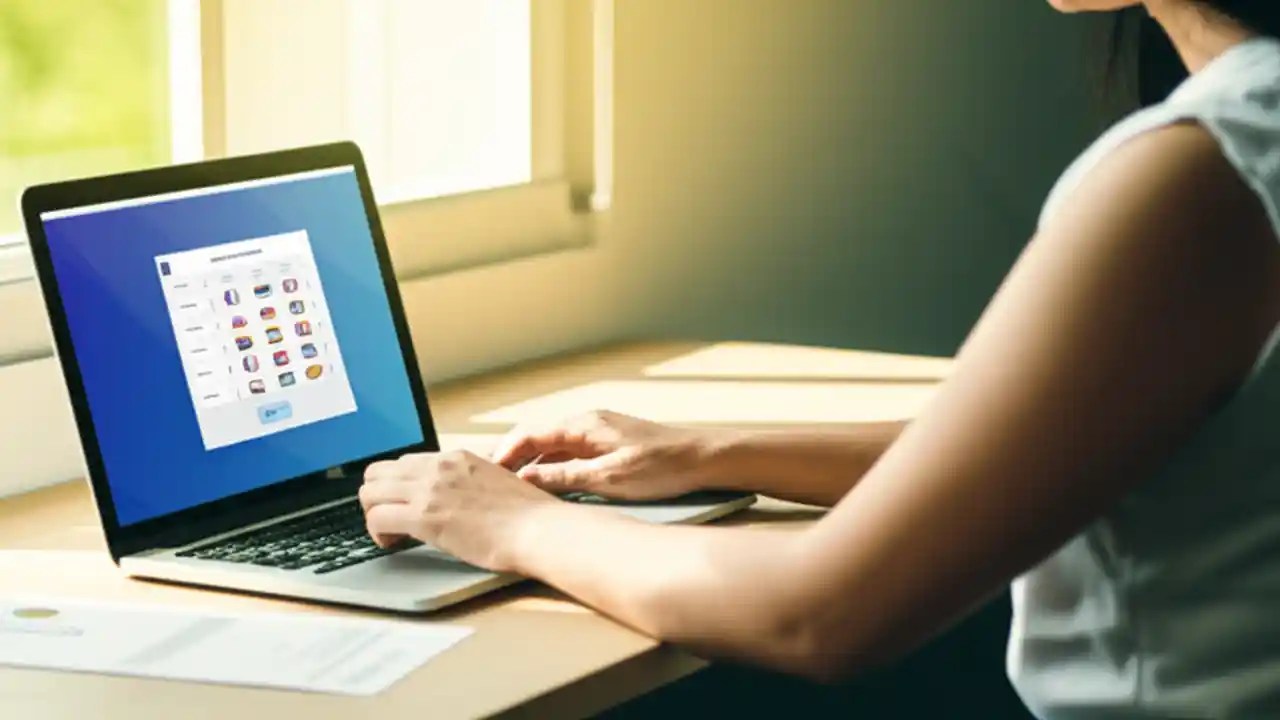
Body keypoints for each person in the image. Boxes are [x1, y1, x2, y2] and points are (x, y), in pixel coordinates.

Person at [359, 1, 1280, 716]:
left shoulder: (1202, 176)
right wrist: (715, 456)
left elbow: (821, 614)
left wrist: (514, 526)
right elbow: (1062, 447)